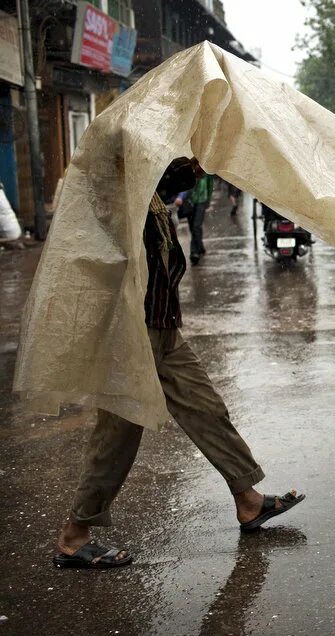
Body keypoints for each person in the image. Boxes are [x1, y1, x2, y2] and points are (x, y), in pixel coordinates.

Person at [53, 158, 304, 569]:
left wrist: (205, 154)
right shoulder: (118, 195)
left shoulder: (149, 192)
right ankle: (73, 535)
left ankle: (248, 500)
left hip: (165, 329)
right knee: (117, 435)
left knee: (206, 409)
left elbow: (169, 182)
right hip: (132, 334)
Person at [178, 164, 214, 264]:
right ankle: (200, 245)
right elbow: (185, 185)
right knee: (192, 227)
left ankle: (194, 252)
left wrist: (208, 201)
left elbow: (210, 186)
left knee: (196, 226)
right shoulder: (189, 169)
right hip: (189, 202)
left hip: (201, 202)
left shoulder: (207, 171)